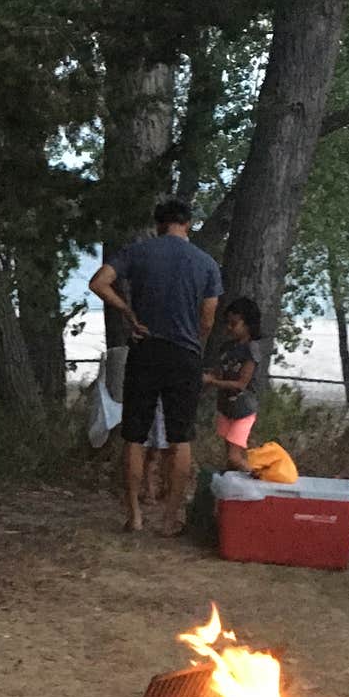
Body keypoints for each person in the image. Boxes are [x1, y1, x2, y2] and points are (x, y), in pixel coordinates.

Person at [89, 199, 222, 535]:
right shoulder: (206, 263)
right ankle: (169, 519)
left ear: (158, 224)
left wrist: (128, 312)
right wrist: (195, 342)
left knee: (134, 435)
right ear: (188, 224)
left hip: (145, 349)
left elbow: (98, 282)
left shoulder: (139, 252)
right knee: (181, 437)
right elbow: (208, 317)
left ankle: (134, 515)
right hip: (184, 353)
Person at [204, 297, 263, 471]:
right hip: (226, 408)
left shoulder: (251, 349)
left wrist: (213, 381)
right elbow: (219, 371)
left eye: (234, 324)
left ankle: (259, 475)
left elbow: (241, 384)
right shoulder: (227, 348)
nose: (229, 328)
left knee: (235, 458)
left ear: (248, 324)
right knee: (229, 459)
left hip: (243, 409)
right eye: (227, 324)